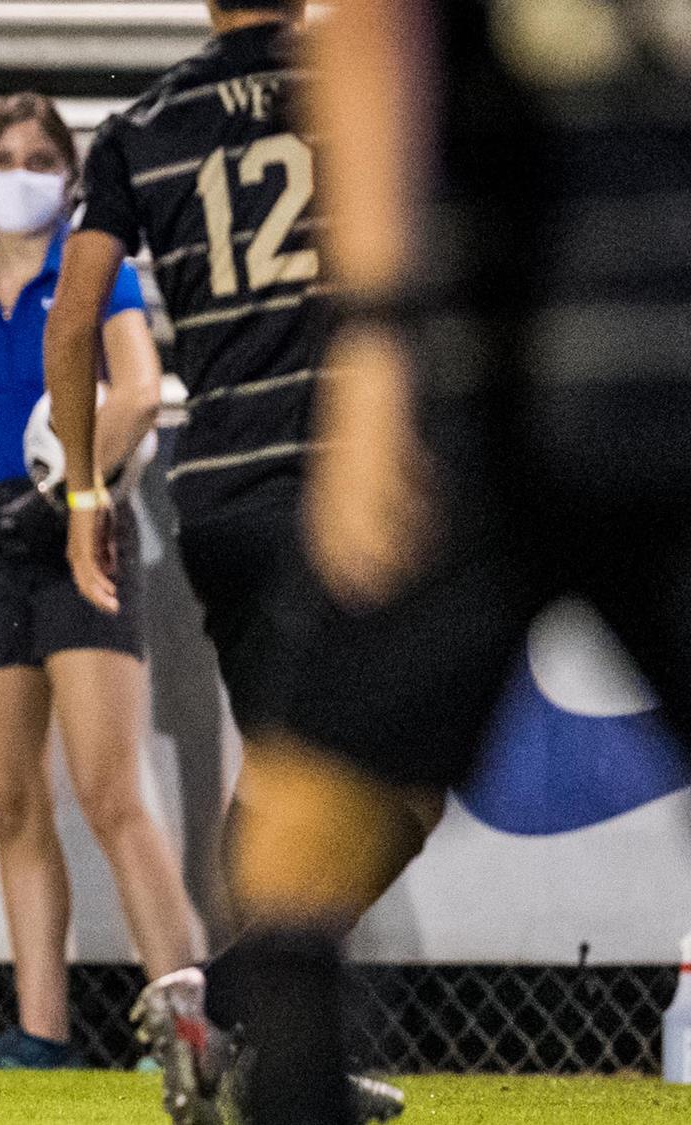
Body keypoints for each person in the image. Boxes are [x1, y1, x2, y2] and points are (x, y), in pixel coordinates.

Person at [229, 1, 691, 1120]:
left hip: (484, 382)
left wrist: (370, 339)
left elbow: (361, 28)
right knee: (300, 843)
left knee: (293, 861)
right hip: (532, 372)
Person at [41, 1, 413, 1120]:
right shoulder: (353, 71)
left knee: (290, 780)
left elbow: (70, 326)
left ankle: (268, 1056)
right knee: (402, 783)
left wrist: (82, 491)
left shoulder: (143, 122)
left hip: (220, 497)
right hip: (342, 478)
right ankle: (228, 1001)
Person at [0, 92, 201, 1069]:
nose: (18, 172)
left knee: (110, 790)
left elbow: (137, 394)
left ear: (70, 179)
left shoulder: (96, 279)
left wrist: (62, 492)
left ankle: (186, 1020)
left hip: (79, 521)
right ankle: (39, 1031)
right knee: (11, 804)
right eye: (1, 155)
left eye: (40, 157)